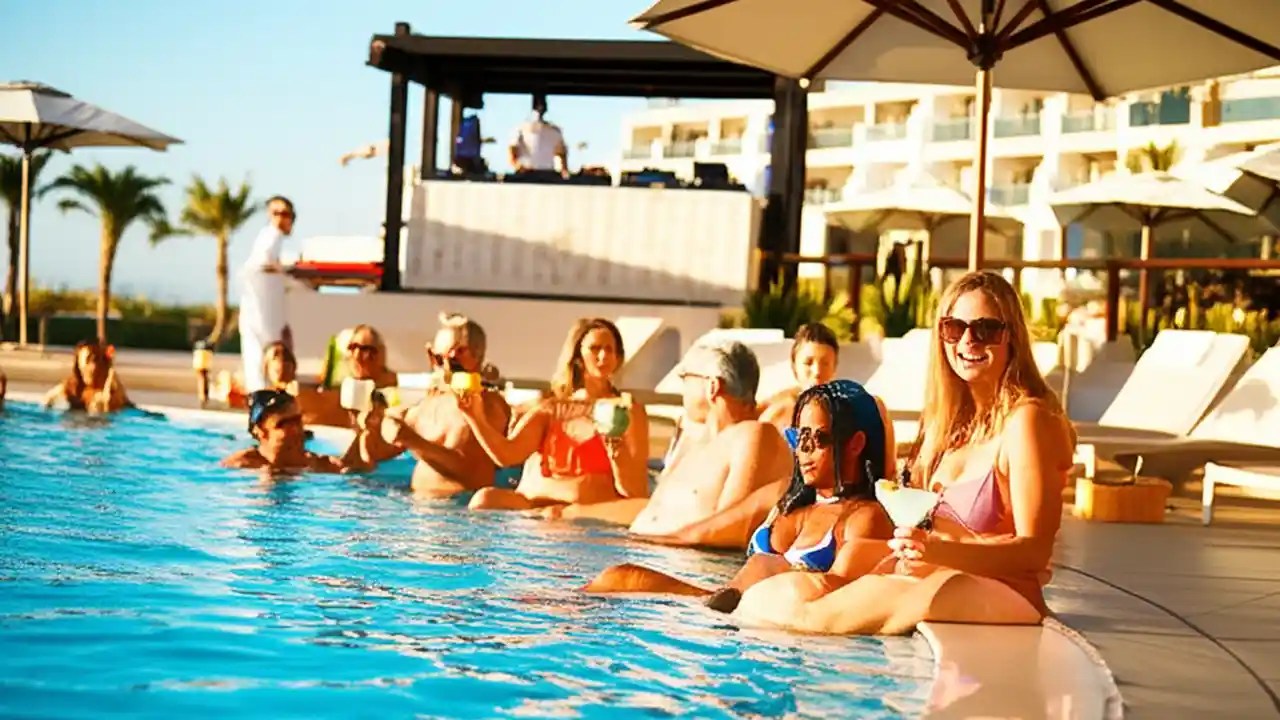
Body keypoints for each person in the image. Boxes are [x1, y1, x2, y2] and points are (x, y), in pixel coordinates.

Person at [731, 271, 1077, 635]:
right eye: (954, 328)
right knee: (779, 592)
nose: (968, 341)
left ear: (1012, 337)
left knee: (807, 618)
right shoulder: (948, 425)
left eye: (986, 329)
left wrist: (933, 551)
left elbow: (1033, 554)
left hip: (1003, 591)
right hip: (934, 572)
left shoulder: (1027, 421)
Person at [585, 380, 894, 610]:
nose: (805, 449)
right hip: (722, 607)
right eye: (800, 437)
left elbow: (837, 602)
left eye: (820, 437)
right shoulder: (783, 498)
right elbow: (702, 532)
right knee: (618, 575)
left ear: (855, 444)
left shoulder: (864, 519)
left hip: (764, 626)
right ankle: (550, 607)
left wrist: (771, 571)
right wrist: (630, 540)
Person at [543, 340, 793, 545]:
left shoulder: (754, 435)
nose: (682, 389)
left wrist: (653, 547)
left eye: (685, 378)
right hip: (652, 561)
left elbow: (731, 527)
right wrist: (574, 512)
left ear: (712, 386)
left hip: (682, 582)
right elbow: (654, 509)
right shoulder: (696, 443)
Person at [461, 318, 649, 511]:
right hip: (538, 507)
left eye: (610, 350)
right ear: (577, 357)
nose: (603, 356)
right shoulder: (551, 409)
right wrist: (473, 416)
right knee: (483, 499)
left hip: (586, 512)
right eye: (595, 348)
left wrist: (616, 452)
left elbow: (636, 493)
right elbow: (506, 455)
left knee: (555, 514)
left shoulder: (628, 412)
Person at [348, 313, 514, 497]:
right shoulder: (431, 402)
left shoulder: (486, 405)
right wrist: (376, 428)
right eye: (436, 358)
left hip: (462, 514)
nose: (443, 366)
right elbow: (382, 446)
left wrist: (412, 440)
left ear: (476, 355)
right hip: (420, 511)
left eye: (453, 359)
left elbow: (472, 473)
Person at [221, 389, 365, 474]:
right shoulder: (242, 464)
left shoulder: (320, 465)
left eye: (297, 420)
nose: (296, 430)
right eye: (284, 424)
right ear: (260, 432)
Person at [239, 195, 294, 393]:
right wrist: (284, 270)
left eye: (285, 214)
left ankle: (260, 391)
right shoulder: (272, 235)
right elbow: (263, 262)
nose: (280, 219)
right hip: (261, 308)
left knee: (259, 351)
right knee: (263, 350)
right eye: (276, 213)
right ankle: (261, 392)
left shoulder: (269, 236)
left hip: (262, 306)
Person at [301, 324, 400, 427]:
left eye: (365, 349)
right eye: (353, 347)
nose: (357, 355)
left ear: (380, 354)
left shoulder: (393, 393)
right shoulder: (345, 390)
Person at [757, 323, 840, 432]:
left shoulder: (847, 416)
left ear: (834, 368)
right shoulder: (776, 416)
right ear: (794, 366)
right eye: (808, 363)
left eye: (825, 363)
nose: (817, 372)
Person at [42, 340, 131, 413]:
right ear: (79, 366)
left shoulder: (111, 383)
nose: (93, 366)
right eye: (88, 361)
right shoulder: (71, 386)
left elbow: (107, 405)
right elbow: (48, 400)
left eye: (95, 360)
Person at [508, 95, 568, 175]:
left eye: (542, 105)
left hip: (548, 174)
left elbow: (562, 153)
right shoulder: (521, 129)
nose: (540, 108)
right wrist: (517, 165)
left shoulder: (554, 131)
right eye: (538, 105)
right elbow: (512, 149)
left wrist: (564, 171)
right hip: (527, 174)